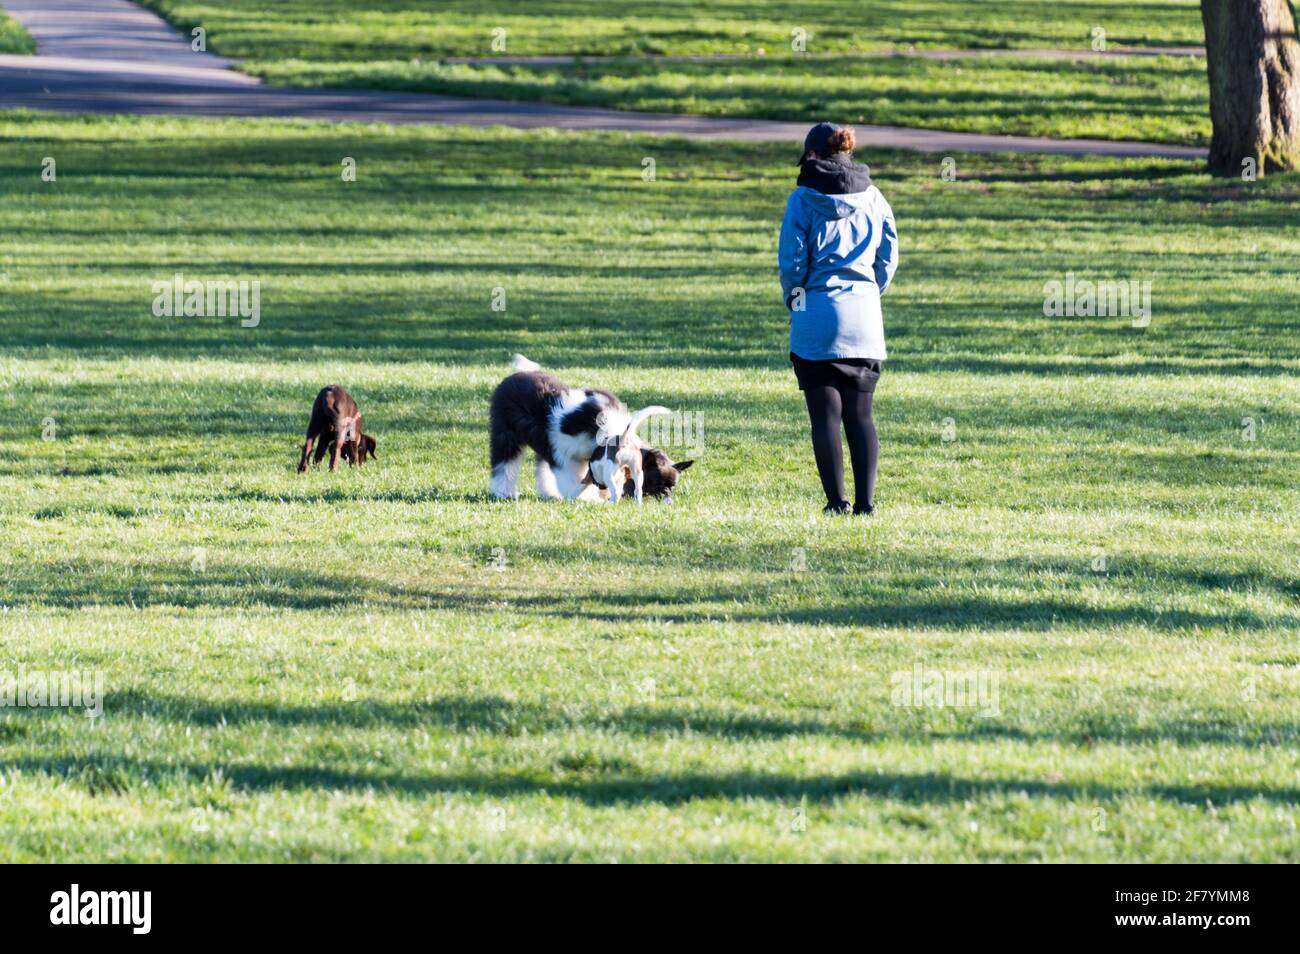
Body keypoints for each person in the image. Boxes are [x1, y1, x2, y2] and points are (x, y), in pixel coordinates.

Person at [778, 122, 898, 515]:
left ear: (812, 156)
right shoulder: (876, 197)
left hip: (816, 319)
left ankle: (836, 502)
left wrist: (796, 302)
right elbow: (888, 258)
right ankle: (866, 504)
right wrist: (867, 293)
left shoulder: (801, 199)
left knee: (825, 417)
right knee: (861, 417)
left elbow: (793, 265)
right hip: (864, 319)